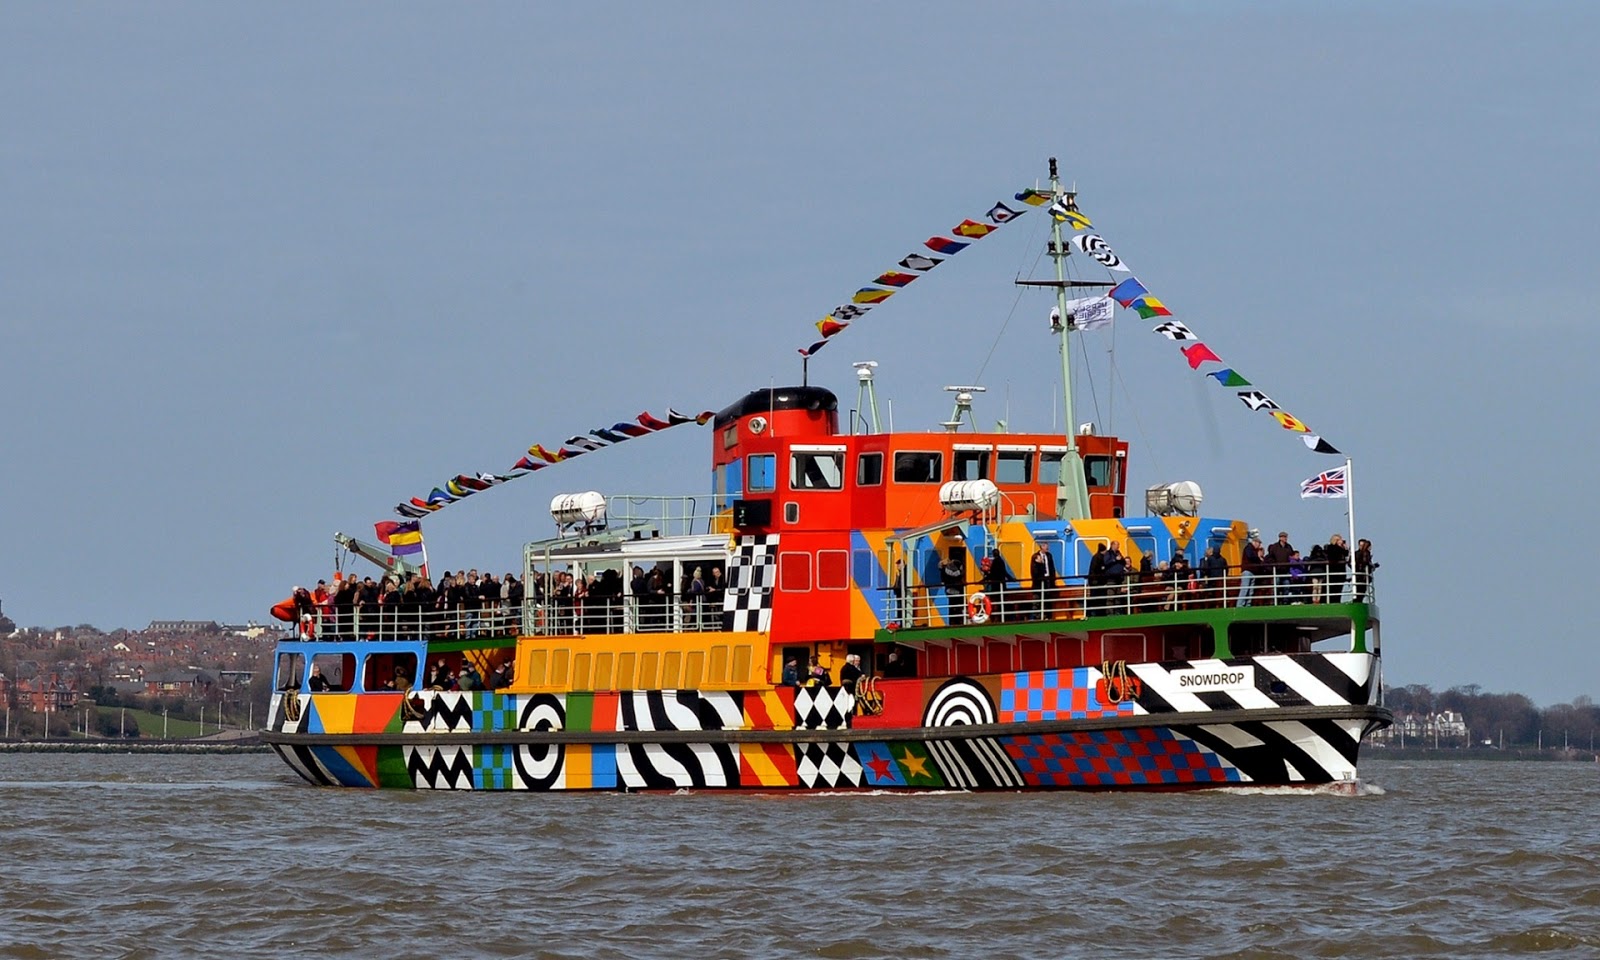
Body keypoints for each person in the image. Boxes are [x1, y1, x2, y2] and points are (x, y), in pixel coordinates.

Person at [1029, 542, 1058, 620]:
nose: (1047, 548)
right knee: (1037, 600)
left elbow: (1052, 568)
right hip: (1039, 582)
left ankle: (1047, 616)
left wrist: (1053, 580)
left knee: (1047, 599)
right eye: (1046, 547)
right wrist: (1040, 563)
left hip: (1048, 581)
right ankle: (1037, 617)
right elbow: (1034, 571)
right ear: (1041, 547)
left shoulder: (1049, 556)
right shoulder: (1035, 556)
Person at [1265, 532, 1296, 603]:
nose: (1285, 538)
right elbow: (1270, 557)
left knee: (1287, 585)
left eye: (1286, 537)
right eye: (1284, 537)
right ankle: (1275, 601)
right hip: (1277, 570)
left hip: (1285, 570)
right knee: (1276, 585)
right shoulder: (1275, 547)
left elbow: (1292, 556)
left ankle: (1285, 601)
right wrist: (1275, 565)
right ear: (1280, 538)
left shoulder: (1289, 547)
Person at [939, 549, 967, 625]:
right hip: (958, 590)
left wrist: (943, 564)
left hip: (949, 590)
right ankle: (959, 620)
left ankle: (952, 621)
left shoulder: (945, 568)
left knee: (952, 606)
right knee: (959, 606)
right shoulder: (960, 566)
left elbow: (942, 572)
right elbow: (960, 574)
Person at [1237, 531, 1264, 607]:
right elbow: (1250, 556)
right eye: (1259, 543)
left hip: (1252, 571)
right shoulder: (1249, 548)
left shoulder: (1252, 550)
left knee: (1250, 590)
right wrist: (1258, 557)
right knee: (1245, 588)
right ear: (1255, 542)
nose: (1259, 545)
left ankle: (1247, 604)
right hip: (1248, 571)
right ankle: (1240, 605)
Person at [1324, 534, 1351, 602]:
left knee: (1338, 588)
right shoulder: (1332, 548)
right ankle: (1334, 601)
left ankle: (1337, 600)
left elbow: (1346, 553)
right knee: (1334, 588)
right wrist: (1343, 548)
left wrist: (1345, 547)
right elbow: (1341, 554)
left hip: (1340, 571)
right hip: (1335, 571)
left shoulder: (1339, 548)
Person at [1087, 543, 1108, 615]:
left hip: (1096, 582)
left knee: (1095, 598)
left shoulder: (1096, 557)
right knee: (1097, 598)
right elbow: (1095, 570)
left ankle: (1093, 613)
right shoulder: (1099, 558)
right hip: (1097, 582)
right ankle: (1097, 613)